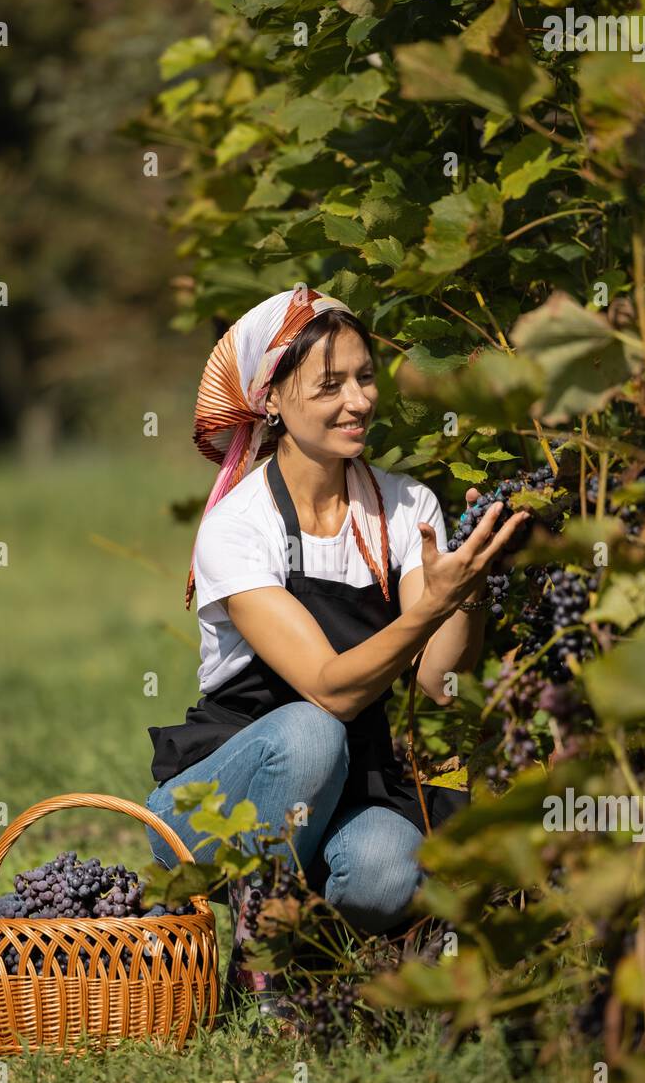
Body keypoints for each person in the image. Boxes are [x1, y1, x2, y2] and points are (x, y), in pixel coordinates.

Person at [143, 287, 528, 1035]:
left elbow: (438, 683)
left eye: (365, 377)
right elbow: (331, 692)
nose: (358, 401)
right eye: (330, 385)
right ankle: (260, 952)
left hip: (346, 787)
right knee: (309, 731)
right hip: (214, 807)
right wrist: (425, 607)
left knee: (389, 872)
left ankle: (318, 944)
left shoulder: (405, 506)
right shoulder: (238, 526)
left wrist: (468, 590)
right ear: (274, 400)